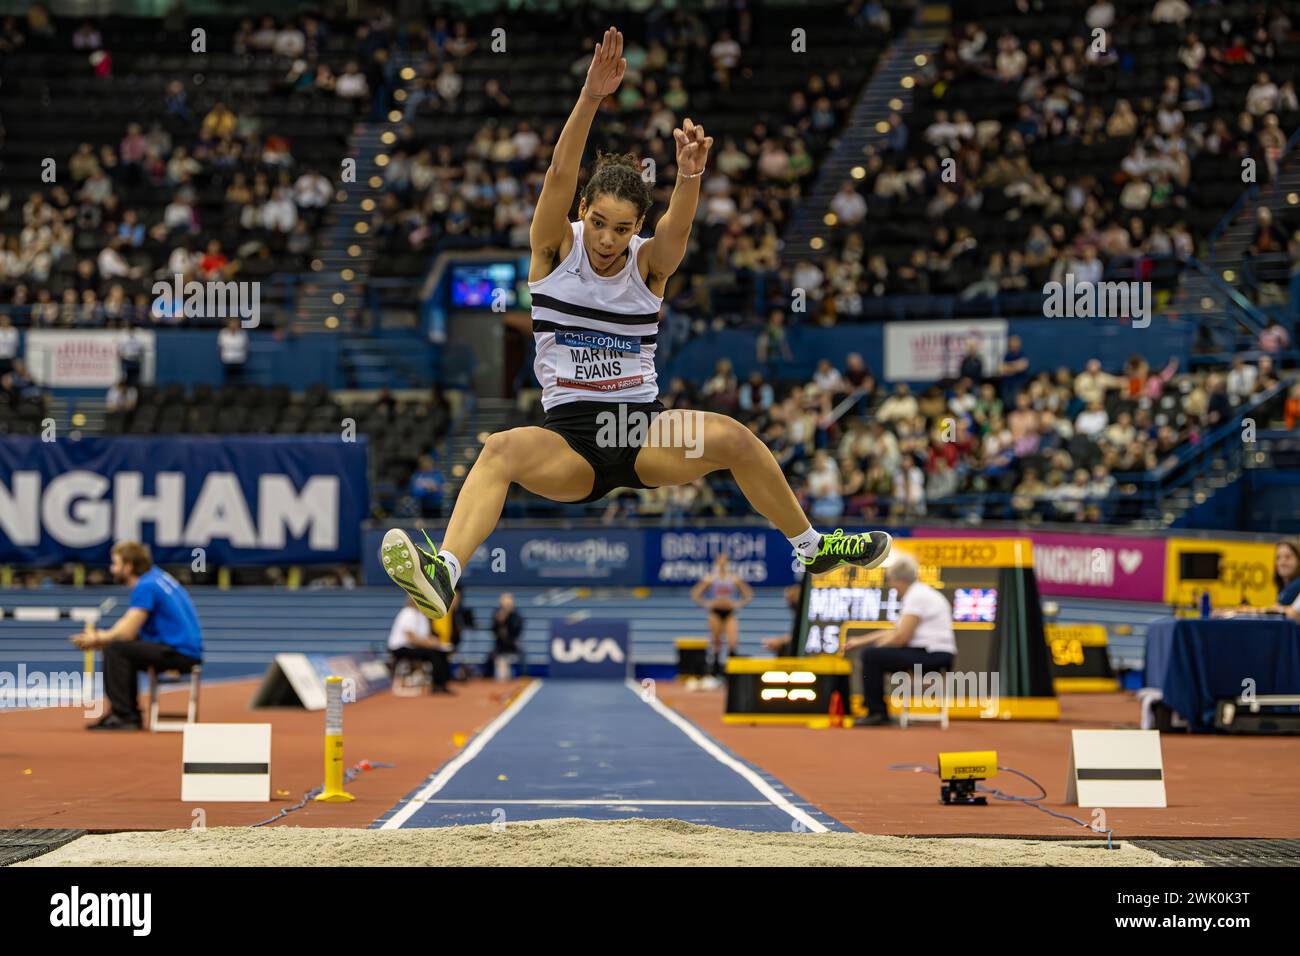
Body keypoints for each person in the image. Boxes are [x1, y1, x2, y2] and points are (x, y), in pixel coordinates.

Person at [380, 28, 891, 621]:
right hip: (569, 439)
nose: (605, 239)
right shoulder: (553, 250)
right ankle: (445, 572)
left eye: (621, 229)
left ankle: (812, 548)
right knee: (497, 450)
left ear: (636, 228)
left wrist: (690, 176)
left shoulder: (647, 266)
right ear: (582, 214)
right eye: (598, 223)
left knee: (736, 440)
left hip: (640, 432)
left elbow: (677, 230)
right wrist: (591, 97)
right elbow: (557, 174)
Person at [69, 541, 202, 730]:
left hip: (179, 652)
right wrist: (105, 637)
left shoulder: (146, 585)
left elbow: (127, 630)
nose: (112, 568)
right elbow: (130, 627)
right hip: (183, 649)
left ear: (129, 566)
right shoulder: (157, 576)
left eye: (115, 563)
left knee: (115, 649)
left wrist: (98, 638)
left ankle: (125, 715)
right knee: (120, 646)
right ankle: (127, 712)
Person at [841, 553, 956, 726]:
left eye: (891, 581)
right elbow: (895, 631)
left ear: (898, 579)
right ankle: (877, 709)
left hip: (933, 656)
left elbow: (901, 638)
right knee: (872, 655)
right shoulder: (919, 593)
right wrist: (861, 641)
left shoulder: (917, 597)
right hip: (933, 653)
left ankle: (877, 712)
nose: (891, 586)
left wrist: (874, 648)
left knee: (871, 656)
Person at [691, 553, 753, 677]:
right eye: (720, 561)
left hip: (729, 612)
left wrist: (737, 604)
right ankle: (715, 670)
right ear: (717, 562)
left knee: (732, 641)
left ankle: (732, 670)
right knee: (716, 642)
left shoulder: (734, 578)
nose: (723, 564)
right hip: (715, 612)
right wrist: (707, 604)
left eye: (725, 561)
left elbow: (748, 594)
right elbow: (695, 593)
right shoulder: (711, 578)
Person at [387, 595, 452, 693]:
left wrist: (436, 643)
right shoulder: (408, 613)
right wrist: (431, 644)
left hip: (412, 646)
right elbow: (411, 638)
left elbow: (424, 636)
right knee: (432, 653)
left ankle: (442, 684)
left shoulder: (421, 615)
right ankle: (437, 685)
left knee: (440, 652)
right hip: (400, 648)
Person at [484, 592, 523, 679]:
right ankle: (487, 678)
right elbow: (493, 630)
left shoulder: (516, 615)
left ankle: (523, 677)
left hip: (512, 644)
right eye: (505, 603)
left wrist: (507, 619)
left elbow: (517, 630)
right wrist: (499, 622)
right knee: (489, 658)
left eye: (509, 603)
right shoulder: (497, 614)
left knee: (523, 655)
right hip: (500, 645)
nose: (507, 605)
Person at [1268, 539, 1300, 621]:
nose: (1282, 562)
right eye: (1278, 558)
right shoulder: (1284, 586)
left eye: (1288, 557)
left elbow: (1293, 613)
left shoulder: (1297, 584)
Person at [218, 318, 248, 383]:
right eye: (232, 323)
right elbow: (222, 345)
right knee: (228, 378)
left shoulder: (243, 333)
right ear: (229, 324)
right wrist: (235, 346)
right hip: (227, 358)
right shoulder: (223, 333)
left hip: (239, 359)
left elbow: (244, 346)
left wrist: (230, 346)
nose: (234, 324)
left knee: (238, 379)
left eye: (235, 323)